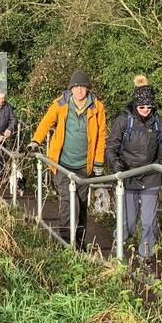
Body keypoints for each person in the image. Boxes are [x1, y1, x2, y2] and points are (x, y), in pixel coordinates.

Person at [28, 70, 107, 246]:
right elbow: (45, 123)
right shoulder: (61, 104)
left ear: (88, 89)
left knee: (81, 203)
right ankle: (65, 241)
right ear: (71, 89)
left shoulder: (97, 108)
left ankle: (79, 241)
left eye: (83, 87)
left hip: (84, 165)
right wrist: (35, 141)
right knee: (68, 200)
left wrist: (99, 162)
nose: (79, 91)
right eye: (76, 87)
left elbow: (101, 135)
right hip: (62, 163)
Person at [105, 75, 162, 262]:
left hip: (151, 177)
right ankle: (119, 245)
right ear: (135, 105)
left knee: (149, 222)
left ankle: (145, 257)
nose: (145, 111)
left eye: (149, 108)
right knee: (129, 223)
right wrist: (116, 164)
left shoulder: (159, 123)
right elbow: (111, 148)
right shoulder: (124, 121)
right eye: (142, 107)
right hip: (129, 176)